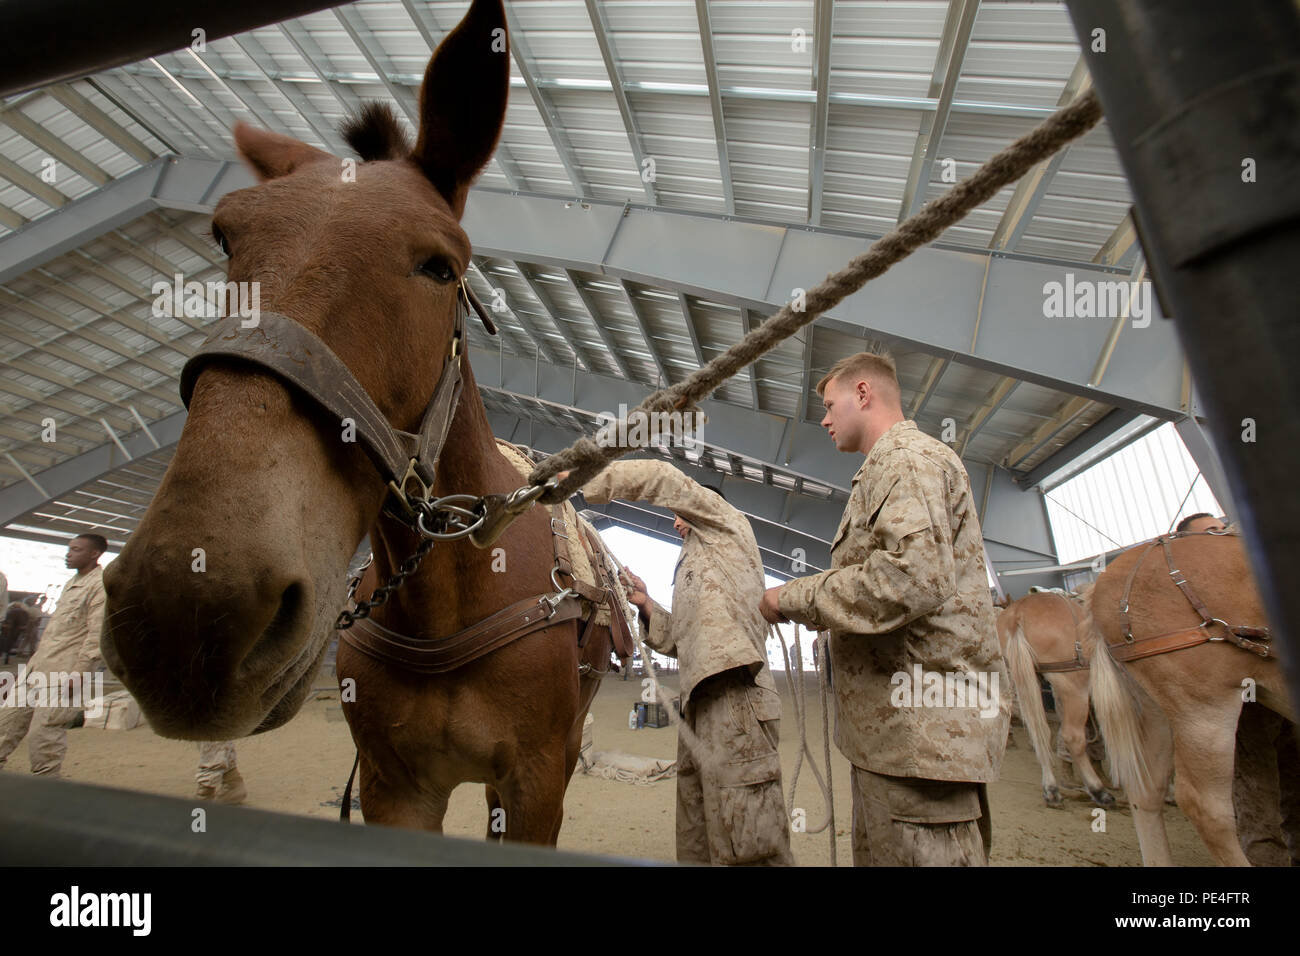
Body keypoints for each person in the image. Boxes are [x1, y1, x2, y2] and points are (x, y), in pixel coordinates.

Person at [759, 351, 1010, 866]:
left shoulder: (906, 461)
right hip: (896, 742)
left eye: (830, 405)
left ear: (864, 394)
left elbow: (910, 576)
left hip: (922, 746)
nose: (825, 419)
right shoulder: (887, 468)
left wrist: (793, 598)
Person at [577, 460, 793, 866]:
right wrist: (645, 603)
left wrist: (580, 477)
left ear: (704, 507)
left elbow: (663, 477)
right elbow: (680, 640)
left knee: (749, 839)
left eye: (680, 516)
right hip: (699, 705)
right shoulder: (699, 563)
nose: (675, 524)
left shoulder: (726, 525)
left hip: (736, 699)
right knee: (698, 837)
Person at [0, 534, 108, 776]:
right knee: (5, 725)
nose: (68, 554)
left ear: (94, 554)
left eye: (76, 549)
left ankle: (45, 792)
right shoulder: (72, 583)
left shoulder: (100, 586)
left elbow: (96, 636)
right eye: (69, 549)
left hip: (65, 674)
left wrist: (80, 675)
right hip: (37, 669)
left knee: (44, 736)